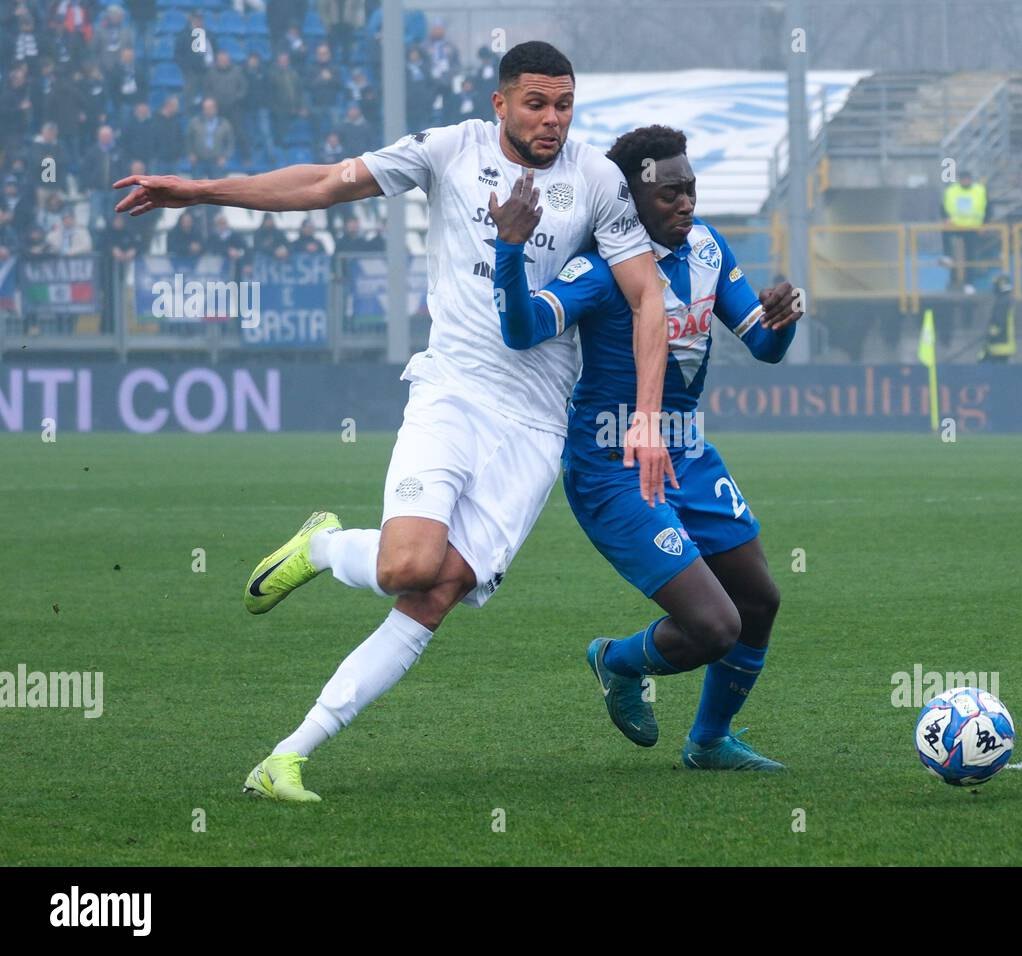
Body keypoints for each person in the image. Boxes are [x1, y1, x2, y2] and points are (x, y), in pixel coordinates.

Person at [114, 40, 672, 802]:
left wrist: (646, 420)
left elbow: (647, 299)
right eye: (536, 104)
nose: (552, 120)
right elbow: (324, 182)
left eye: (565, 104)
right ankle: (325, 545)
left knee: (432, 594)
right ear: (500, 103)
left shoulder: (598, 181)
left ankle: (287, 755)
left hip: (536, 428)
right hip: (450, 393)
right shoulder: (449, 150)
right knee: (405, 566)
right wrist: (206, 192)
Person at [493, 126, 800, 770]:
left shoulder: (710, 248)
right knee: (716, 628)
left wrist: (782, 319)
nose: (686, 203)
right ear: (631, 199)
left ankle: (709, 742)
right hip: (613, 467)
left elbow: (764, 347)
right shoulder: (601, 270)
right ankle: (617, 660)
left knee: (760, 602)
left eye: (691, 190)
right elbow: (521, 330)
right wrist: (509, 249)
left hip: (688, 454)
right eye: (670, 195)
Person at [940, 170, 988, 291]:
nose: (965, 181)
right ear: (959, 180)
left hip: (972, 227)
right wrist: (946, 218)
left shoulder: (979, 190)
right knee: (945, 231)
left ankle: (969, 284)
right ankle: (947, 256)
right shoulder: (951, 191)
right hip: (955, 225)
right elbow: (943, 207)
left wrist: (984, 225)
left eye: (967, 179)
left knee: (970, 256)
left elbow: (988, 208)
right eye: (963, 179)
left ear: (971, 179)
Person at [977, 273, 1014, 363]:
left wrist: (989, 337)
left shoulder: (1002, 302)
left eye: (995, 285)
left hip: (998, 346)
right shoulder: (1007, 299)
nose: (994, 287)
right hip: (1003, 346)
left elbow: (999, 322)